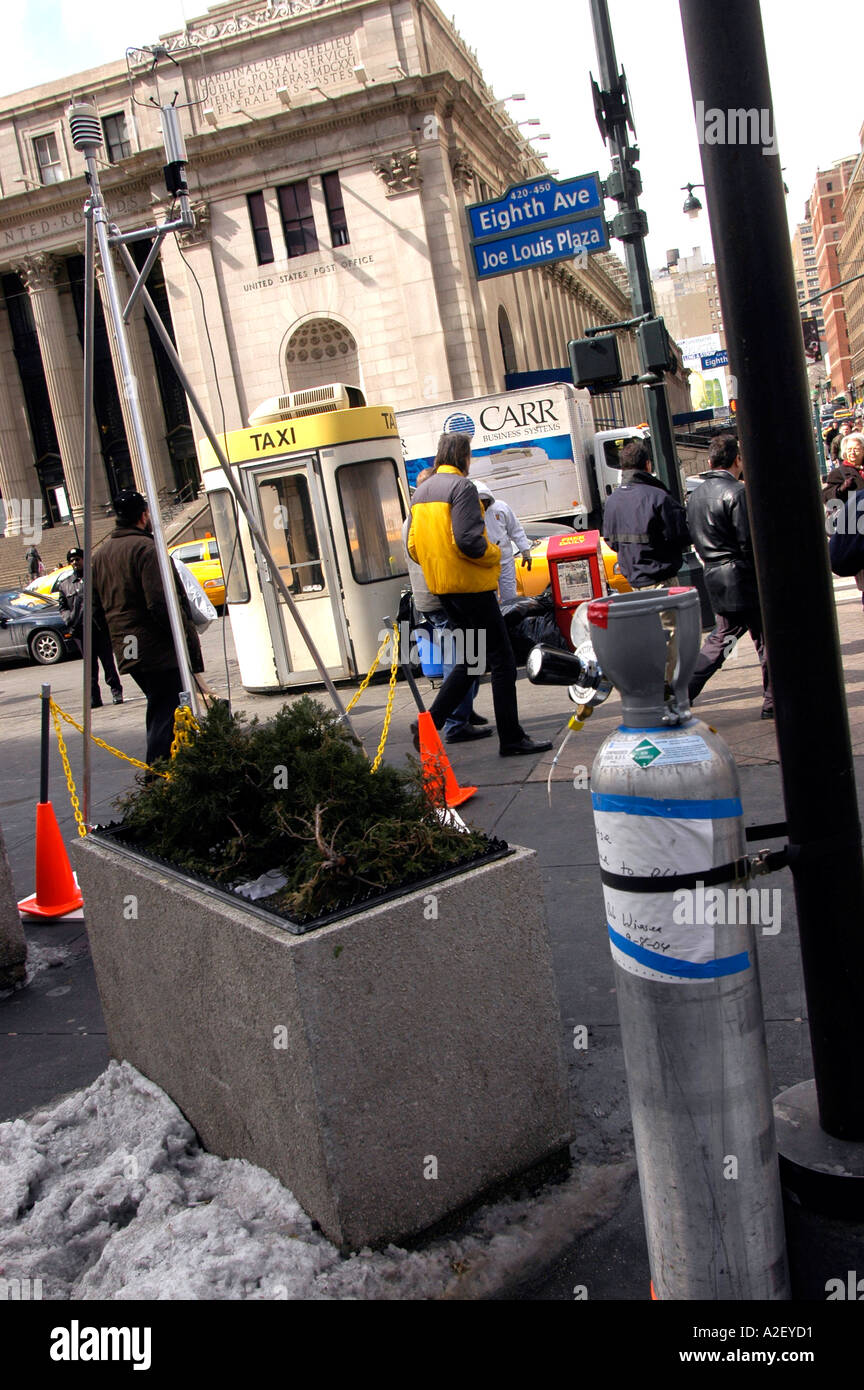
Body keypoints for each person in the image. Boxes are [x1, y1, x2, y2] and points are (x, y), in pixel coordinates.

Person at [407, 433, 552, 758]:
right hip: (472, 587)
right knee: (501, 661)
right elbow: (469, 540)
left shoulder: (423, 493)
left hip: (444, 590)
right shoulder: (462, 488)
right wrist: (494, 554)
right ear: (463, 456)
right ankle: (511, 739)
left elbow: (414, 547)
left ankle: (430, 722)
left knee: (472, 660)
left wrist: (439, 563)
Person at [92, 489, 205, 766]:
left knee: (161, 705)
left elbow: (95, 611)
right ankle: (157, 776)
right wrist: (183, 639)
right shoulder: (145, 549)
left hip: (129, 649)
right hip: (156, 649)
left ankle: (174, 769)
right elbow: (160, 604)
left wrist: (118, 639)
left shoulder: (100, 555)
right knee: (165, 711)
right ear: (143, 516)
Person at [686, 435, 774, 719]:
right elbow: (748, 541)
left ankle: (682, 690)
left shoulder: (695, 496)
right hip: (742, 576)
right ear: (737, 460)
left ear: (710, 462)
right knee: (763, 640)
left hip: (716, 575)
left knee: (722, 640)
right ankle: (773, 700)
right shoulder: (737, 492)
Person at [402, 467, 488, 744]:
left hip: (431, 598)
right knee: (461, 659)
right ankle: (454, 722)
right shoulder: (427, 519)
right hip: (441, 597)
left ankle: (462, 711)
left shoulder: (413, 519)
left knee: (467, 656)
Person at [601, 439, 690, 589]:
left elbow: (611, 541)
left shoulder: (612, 501)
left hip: (634, 583)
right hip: (662, 581)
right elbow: (681, 535)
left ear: (622, 468)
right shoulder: (658, 497)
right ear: (648, 465)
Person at [58, 547, 123, 708]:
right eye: (72, 560)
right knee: (90, 668)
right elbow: (62, 606)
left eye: (78, 559)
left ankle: (116, 692)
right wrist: (68, 619)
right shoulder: (65, 585)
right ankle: (94, 698)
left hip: (99, 629)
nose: (75, 562)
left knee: (108, 664)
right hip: (80, 632)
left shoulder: (96, 578)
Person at [472, 481, 532, 611]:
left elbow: (515, 530)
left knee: (510, 598)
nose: (483, 505)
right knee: (490, 600)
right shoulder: (471, 515)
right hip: (485, 564)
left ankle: (510, 625)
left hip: (505, 561)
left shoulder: (501, 508)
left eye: (485, 502)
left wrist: (525, 551)